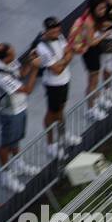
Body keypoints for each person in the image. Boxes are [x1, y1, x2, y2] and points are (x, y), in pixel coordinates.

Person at [0, 43, 40, 186]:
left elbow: (21, 74)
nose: (15, 55)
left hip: (20, 107)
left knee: (16, 139)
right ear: (5, 58)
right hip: (9, 112)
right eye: (12, 54)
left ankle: (18, 163)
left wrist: (30, 62)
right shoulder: (0, 76)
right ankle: (5, 174)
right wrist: (35, 68)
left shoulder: (9, 61)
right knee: (6, 144)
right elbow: (27, 89)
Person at [34, 17, 78, 157]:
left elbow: (69, 51)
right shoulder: (42, 47)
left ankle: (63, 135)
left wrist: (62, 61)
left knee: (60, 110)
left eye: (57, 29)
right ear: (46, 31)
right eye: (52, 30)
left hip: (65, 80)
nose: (56, 32)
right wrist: (65, 60)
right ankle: (51, 144)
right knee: (53, 113)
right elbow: (56, 70)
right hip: (53, 84)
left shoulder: (59, 36)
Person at [70, 0, 112, 122]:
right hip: (90, 52)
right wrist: (104, 35)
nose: (103, 11)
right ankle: (91, 109)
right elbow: (91, 42)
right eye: (100, 9)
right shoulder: (88, 22)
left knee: (95, 78)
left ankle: (96, 101)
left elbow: (101, 25)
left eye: (104, 8)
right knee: (93, 81)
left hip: (94, 50)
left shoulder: (93, 16)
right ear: (94, 8)